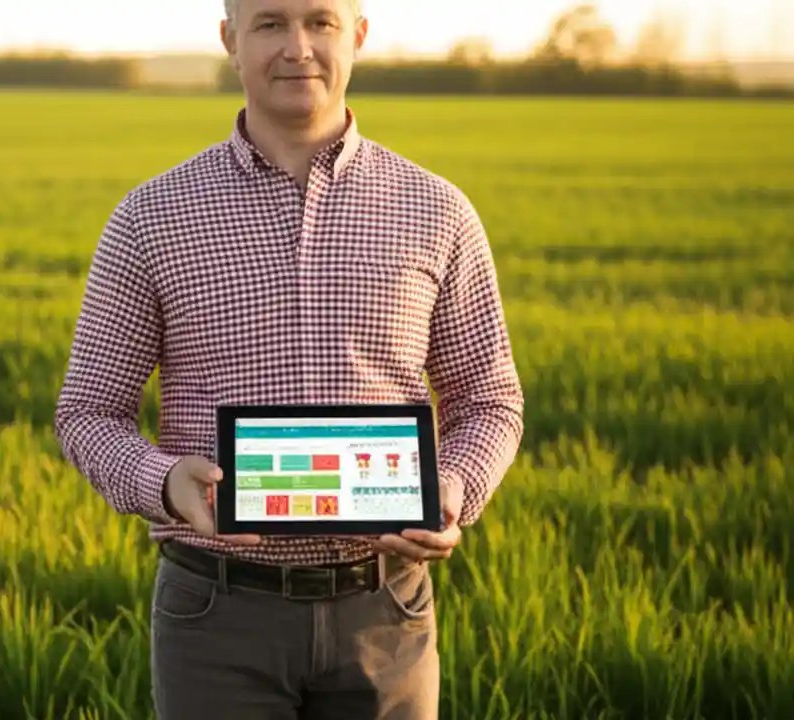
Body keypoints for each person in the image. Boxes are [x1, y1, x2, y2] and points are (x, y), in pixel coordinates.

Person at [53, 0, 524, 717]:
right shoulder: (150, 217)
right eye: (270, 22)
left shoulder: (438, 212)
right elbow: (88, 412)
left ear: (357, 37)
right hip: (216, 613)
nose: (297, 47)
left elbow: (490, 400)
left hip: (385, 612)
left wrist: (453, 487)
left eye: (320, 22)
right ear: (230, 41)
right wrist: (166, 482)